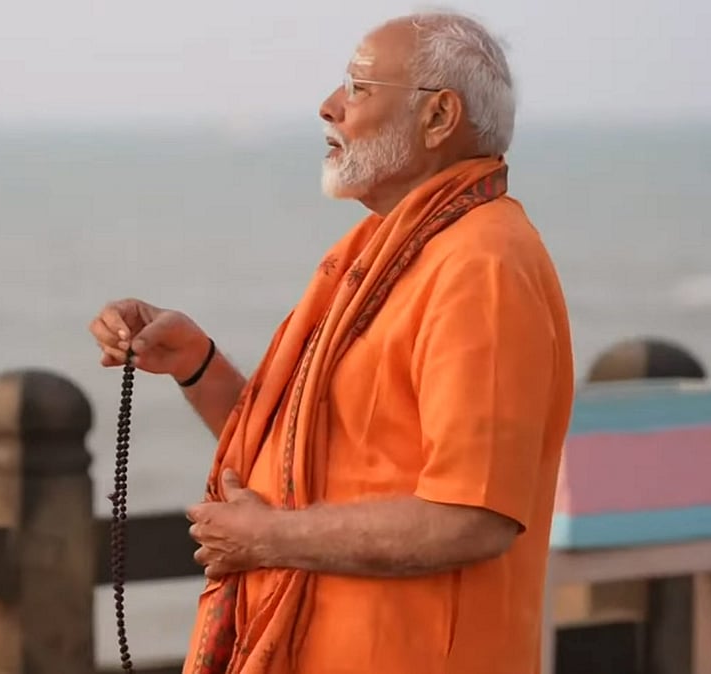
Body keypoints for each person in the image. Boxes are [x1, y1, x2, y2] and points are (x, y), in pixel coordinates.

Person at [89, 10, 574, 674]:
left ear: (439, 118)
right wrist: (196, 365)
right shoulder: (379, 253)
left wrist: (270, 540)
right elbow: (310, 460)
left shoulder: (481, 264)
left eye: (359, 87)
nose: (329, 107)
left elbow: (473, 518)